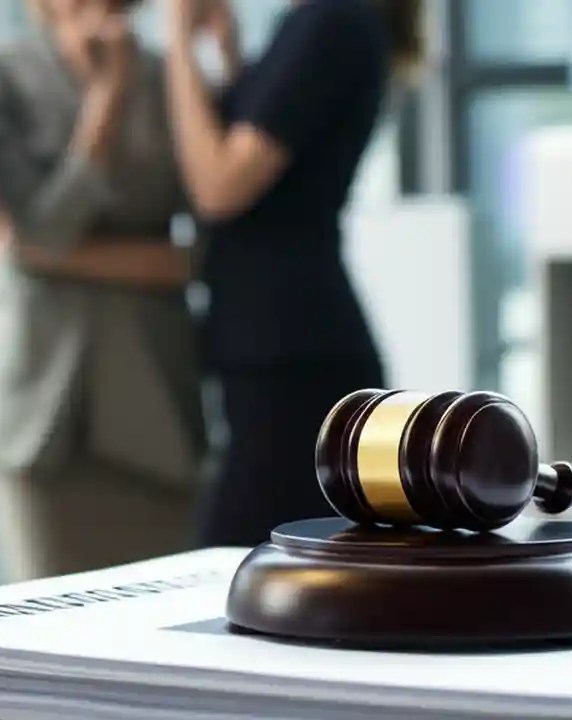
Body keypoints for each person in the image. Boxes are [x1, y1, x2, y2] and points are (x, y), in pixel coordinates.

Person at [163, 0, 424, 546]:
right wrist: (227, 56)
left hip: (289, 351)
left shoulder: (330, 22)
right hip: (288, 341)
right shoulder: (335, 23)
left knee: (231, 569)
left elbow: (219, 188)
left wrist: (178, 44)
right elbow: (275, 156)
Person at [0, 0, 208, 580]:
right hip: (40, 411)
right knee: (47, 642)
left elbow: (207, 242)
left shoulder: (169, 74)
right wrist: (106, 98)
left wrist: (49, 258)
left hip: (155, 407)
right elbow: (42, 226)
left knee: (163, 636)